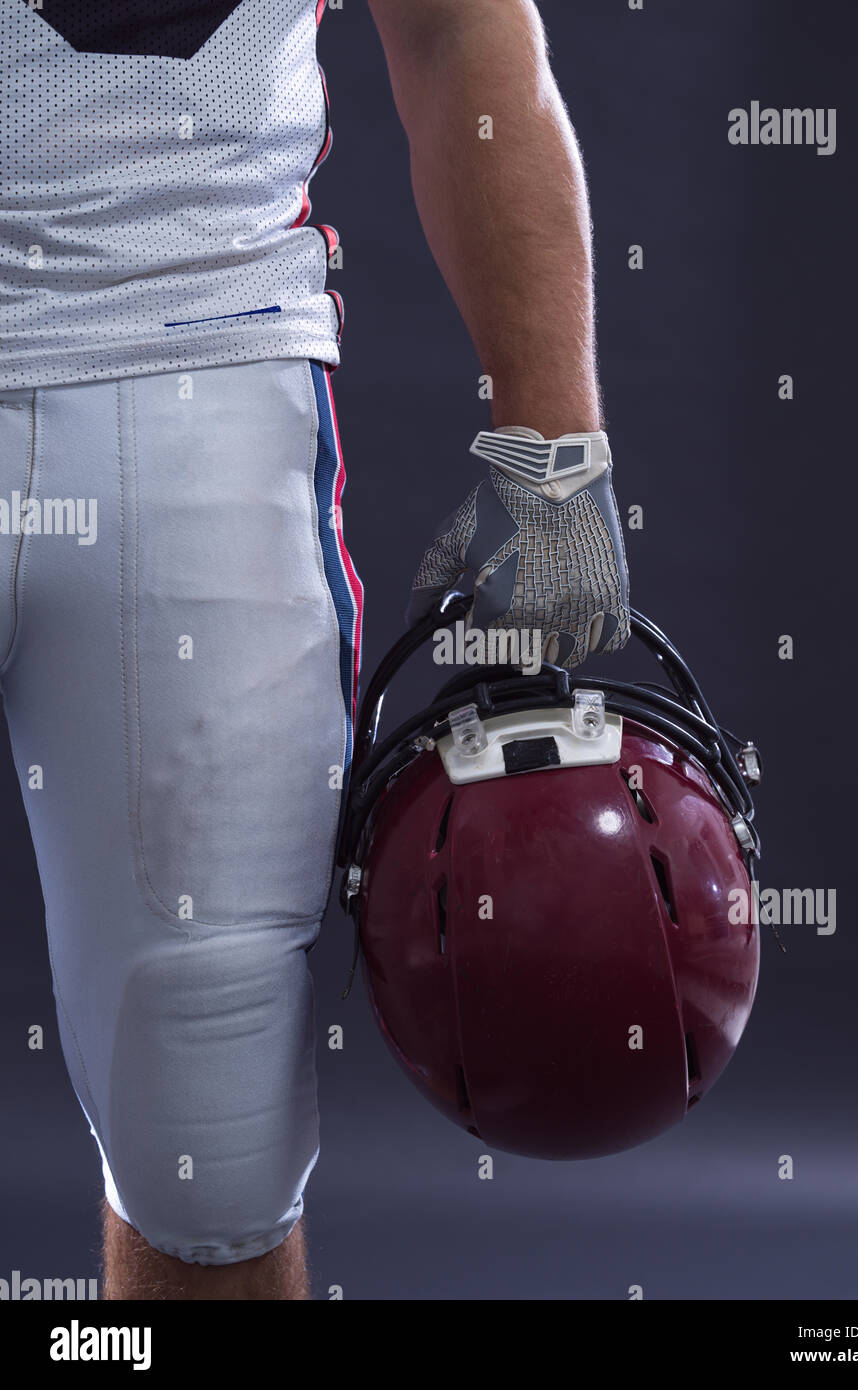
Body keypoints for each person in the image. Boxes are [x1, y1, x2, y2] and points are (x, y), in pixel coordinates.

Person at [0, 0, 628, 1299]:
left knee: (210, 1156)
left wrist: (554, 455)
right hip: (195, 359)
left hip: (189, 354)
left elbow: (457, 27)